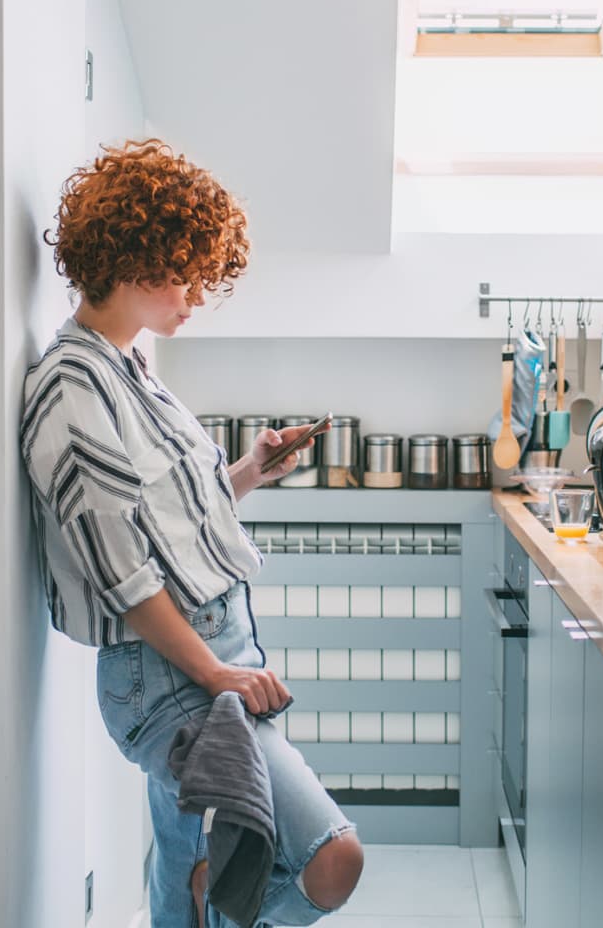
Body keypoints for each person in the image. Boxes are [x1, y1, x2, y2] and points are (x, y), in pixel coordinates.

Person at [20, 139, 364, 928]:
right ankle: (221, 903)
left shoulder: (130, 367)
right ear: (138, 261)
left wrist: (246, 471)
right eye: (188, 275)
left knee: (180, 863)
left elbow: (164, 518)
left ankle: (197, 902)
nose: (196, 299)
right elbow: (123, 575)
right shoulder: (71, 389)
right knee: (332, 861)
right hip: (169, 670)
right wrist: (215, 675)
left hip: (207, 650)